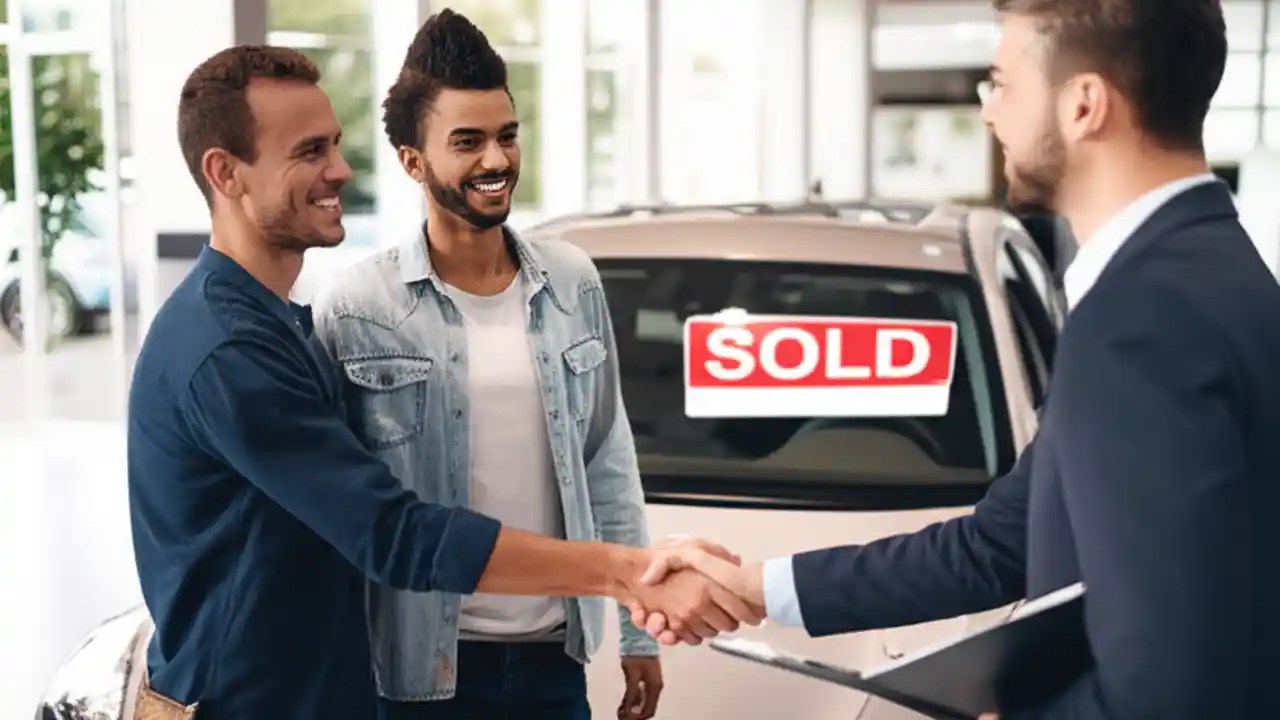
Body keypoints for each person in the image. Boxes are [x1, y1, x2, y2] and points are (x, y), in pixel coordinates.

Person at [638, 1, 1280, 718]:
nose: (988, 114)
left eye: (1002, 84)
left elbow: (1166, 686)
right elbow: (996, 545)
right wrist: (755, 585)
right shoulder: (1220, 272)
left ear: (1084, 105)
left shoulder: (1138, 320)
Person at [127, 44, 759, 720]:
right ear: (226, 173)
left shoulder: (279, 324)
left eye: (336, 145)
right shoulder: (228, 350)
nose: (340, 169)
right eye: (310, 152)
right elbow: (393, 533)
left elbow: (602, 456)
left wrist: (629, 605)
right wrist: (623, 571)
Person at [308, 11, 662, 720]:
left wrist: (635, 626)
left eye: (507, 136)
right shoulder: (355, 307)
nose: (496, 161)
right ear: (413, 160)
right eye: (466, 143)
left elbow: (606, 460)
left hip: (551, 659)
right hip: (415, 668)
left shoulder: (572, 283)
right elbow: (335, 512)